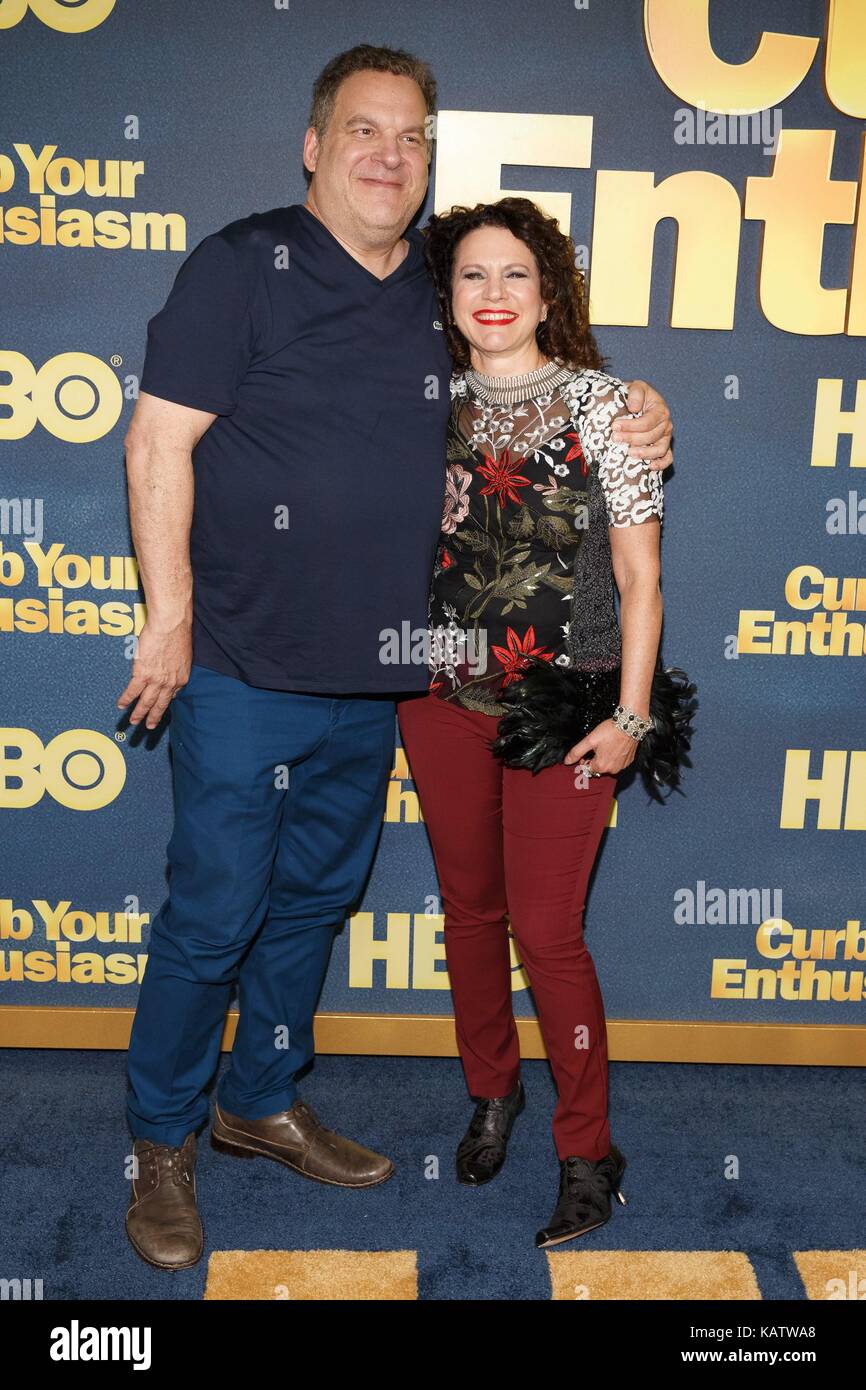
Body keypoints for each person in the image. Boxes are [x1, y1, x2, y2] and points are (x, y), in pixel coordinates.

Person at [120, 45, 674, 1270]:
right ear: (313, 147)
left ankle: (258, 1101)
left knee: (313, 905)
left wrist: (641, 410)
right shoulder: (240, 264)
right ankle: (158, 1142)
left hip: (381, 682)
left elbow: (536, 363)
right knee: (213, 917)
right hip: (238, 668)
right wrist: (166, 615)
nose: (388, 154)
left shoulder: (430, 291)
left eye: (412, 136)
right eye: (363, 131)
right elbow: (158, 437)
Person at [397, 195, 667, 1249]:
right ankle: (491, 1091)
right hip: (440, 700)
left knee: (547, 934)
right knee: (468, 913)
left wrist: (632, 718)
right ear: (446, 295)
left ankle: (586, 1146)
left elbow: (640, 580)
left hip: (568, 709)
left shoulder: (608, 405)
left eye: (514, 273)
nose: (494, 294)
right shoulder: (422, 402)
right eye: (472, 275)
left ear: (547, 288)